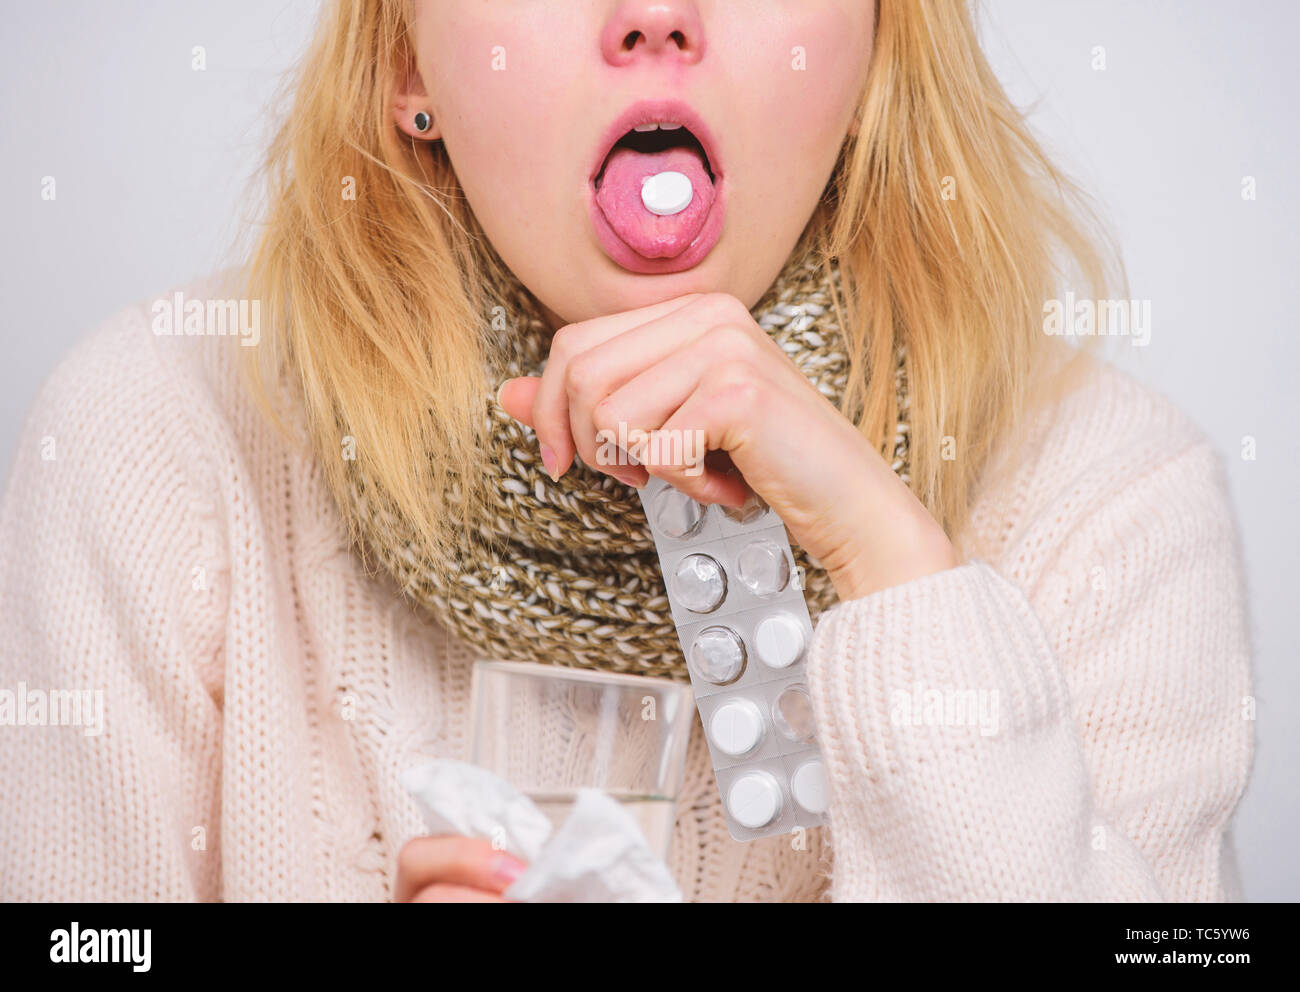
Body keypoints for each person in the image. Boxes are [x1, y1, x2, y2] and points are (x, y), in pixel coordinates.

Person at [0, 0, 1253, 902]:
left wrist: (897, 569)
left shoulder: (1110, 496)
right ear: (404, 61)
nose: (655, 17)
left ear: (878, 49)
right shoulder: (158, 436)